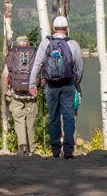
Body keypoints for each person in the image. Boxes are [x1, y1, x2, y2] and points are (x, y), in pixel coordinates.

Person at [29, 16, 83, 159]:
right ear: (67, 28)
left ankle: (55, 150)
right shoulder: (72, 44)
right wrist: (76, 82)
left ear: (53, 28)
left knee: (53, 118)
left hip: (51, 86)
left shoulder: (46, 42)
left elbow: (37, 64)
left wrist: (32, 84)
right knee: (69, 118)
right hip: (68, 85)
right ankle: (69, 150)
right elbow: (79, 68)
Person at [2, 35, 38, 156]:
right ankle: (32, 149)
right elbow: (41, 73)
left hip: (16, 94)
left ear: (17, 44)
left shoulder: (13, 54)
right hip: (31, 95)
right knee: (31, 122)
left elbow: (5, 76)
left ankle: (23, 147)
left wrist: (5, 91)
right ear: (28, 44)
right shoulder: (34, 54)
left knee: (19, 120)